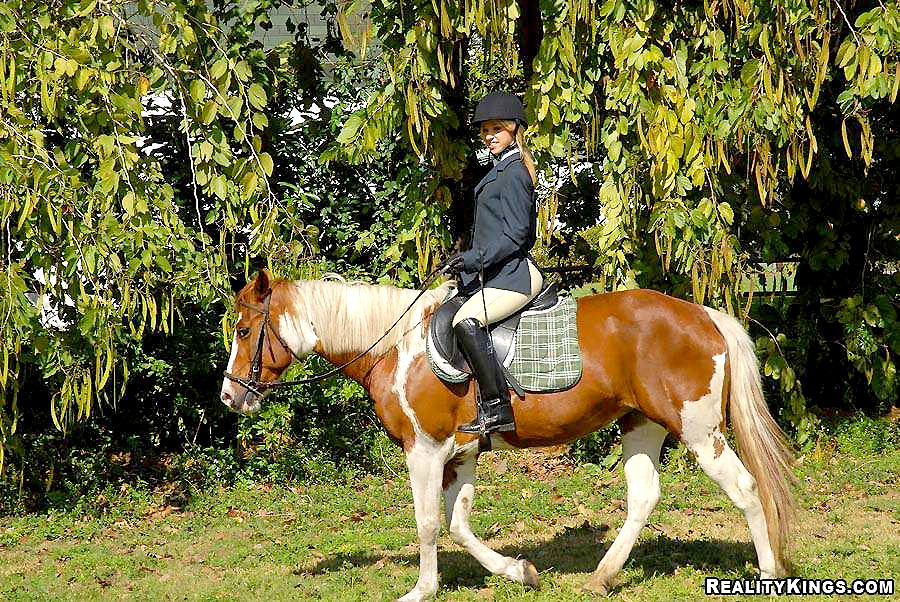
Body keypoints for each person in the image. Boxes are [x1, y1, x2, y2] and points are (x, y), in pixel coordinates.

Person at [444, 93, 544, 437]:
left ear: (515, 130)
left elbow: (516, 236)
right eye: (485, 130)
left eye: (497, 129)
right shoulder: (500, 169)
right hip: (497, 273)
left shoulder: (514, 173)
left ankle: (498, 407)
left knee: (465, 320)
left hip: (514, 275)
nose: (489, 136)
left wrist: (474, 257)